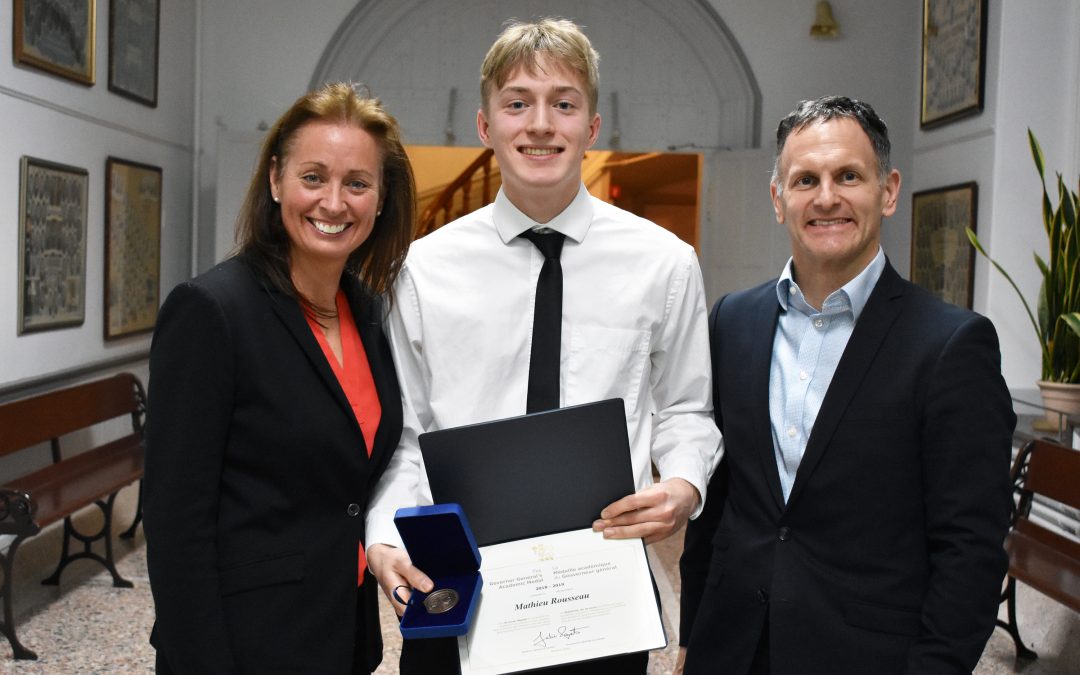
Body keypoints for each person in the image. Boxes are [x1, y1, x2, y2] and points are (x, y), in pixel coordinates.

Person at [365, 18, 722, 674]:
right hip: (460, 578)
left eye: (563, 103)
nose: (540, 123)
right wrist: (386, 537)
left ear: (592, 127)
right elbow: (407, 437)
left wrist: (682, 485)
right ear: (485, 125)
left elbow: (686, 411)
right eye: (517, 102)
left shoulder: (665, 263)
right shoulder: (420, 269)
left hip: (601, 581)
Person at [677, 96, 1015, 674]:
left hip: (865, 655)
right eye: (805, 179)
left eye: (848, 176)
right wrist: (691, 636)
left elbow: (971, 548)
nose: (826, 197)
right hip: (729, 647)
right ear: (778, 200)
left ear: (887, 192)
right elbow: (718, 506)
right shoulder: (733, 321)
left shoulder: (952, 346)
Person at [143, 82, 415, 674]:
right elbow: (174, 522)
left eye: (357, 183)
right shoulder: (212, 310)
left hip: (340, 637)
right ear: (275, 181)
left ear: (381, 197)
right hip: (242, 646)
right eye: (313, 177)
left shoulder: (368, 312)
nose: (334, 202)